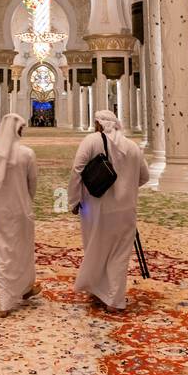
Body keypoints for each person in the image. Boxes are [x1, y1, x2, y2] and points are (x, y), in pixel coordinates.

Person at [67, 110, 150, 311]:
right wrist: (126, 189)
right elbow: (145, 176)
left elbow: (77, 170)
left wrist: (74, 200)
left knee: (96, 248)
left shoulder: (91, 141)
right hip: (125, 209)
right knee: (119, 255)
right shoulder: (132, 147)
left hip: (96, 207)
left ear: (98, 124)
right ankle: (113, 299)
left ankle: (98, 290)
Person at [0, 112, 39, 317]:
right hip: (21, 210)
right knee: (21, 251)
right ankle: (13, 295)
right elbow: (33, 185)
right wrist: (26, 201)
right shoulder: (27, 154)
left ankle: (13, 294)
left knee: (0, 253)